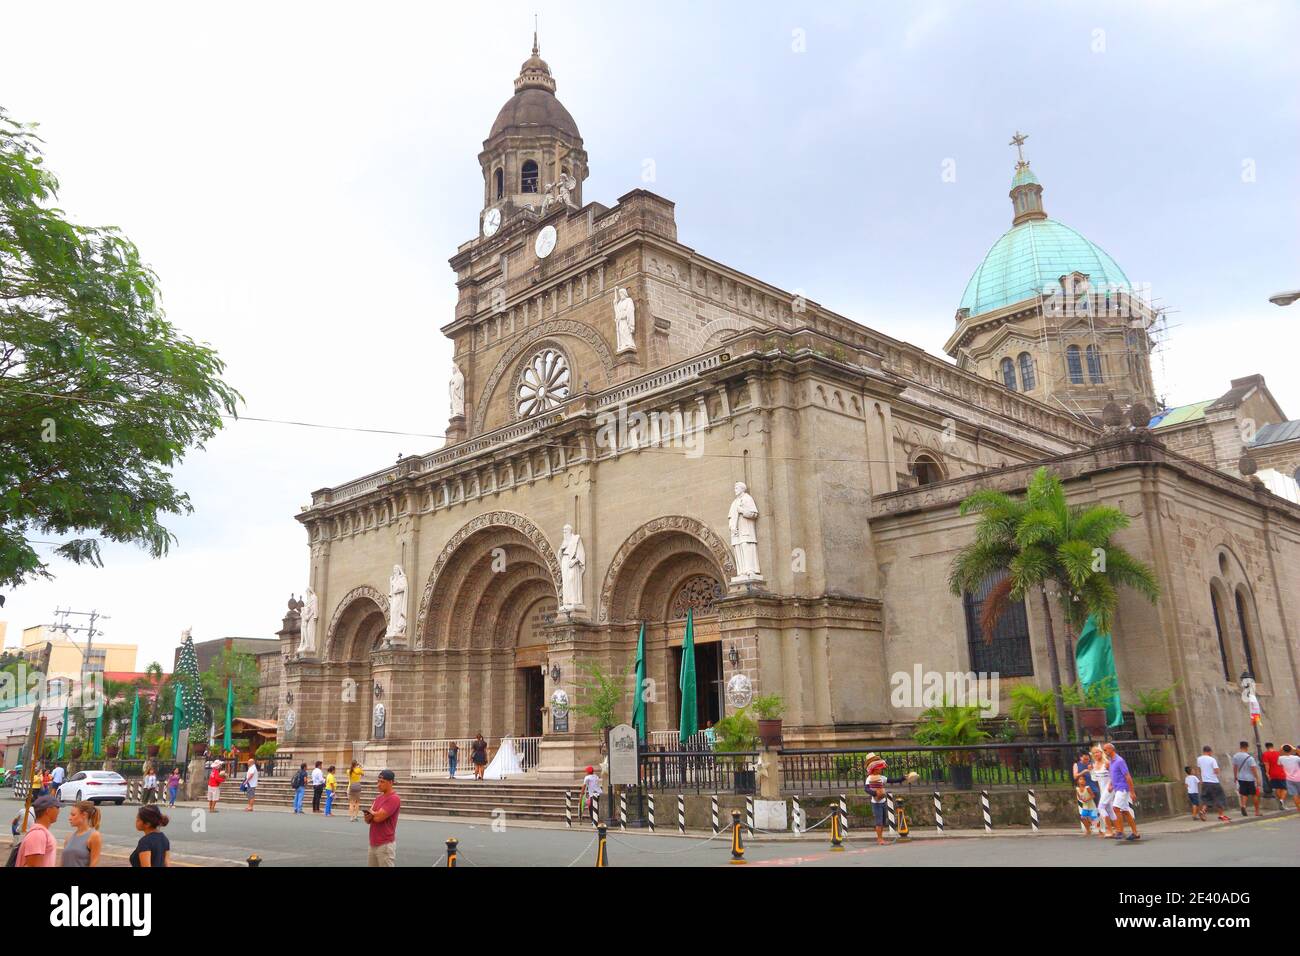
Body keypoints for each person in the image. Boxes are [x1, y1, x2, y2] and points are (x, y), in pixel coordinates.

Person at [863, 755, 920, 846]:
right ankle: (879, 839)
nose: (881, 770)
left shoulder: (881, 777)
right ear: (875, 769)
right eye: (879, 768)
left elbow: (892, 780)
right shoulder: (869, 778)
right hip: (876, 803)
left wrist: (903, 777)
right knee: (879, 822)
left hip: (883, 801)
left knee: (883, 822)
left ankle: (881, 838)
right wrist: (875, 794)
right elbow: (866, 789)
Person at [1102, 741, 1139, 842]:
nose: (1104, 752)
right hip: (1117, 788)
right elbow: (1114, 776)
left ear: (1111, 749)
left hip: (1123, 788)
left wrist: (1132, 791)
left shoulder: (1119, 761)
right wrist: (1111, 785)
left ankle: (1120, 831)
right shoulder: (1111, 762)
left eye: (1105, 749)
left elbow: (1127, 776)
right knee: (1125, 811)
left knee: (1116, 808)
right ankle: (1135, 833)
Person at [362, 769, 400, 866]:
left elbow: (379, 818)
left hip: (385, 844)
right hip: (373, 842)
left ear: (391, 782)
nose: (378, 784)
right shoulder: (378, 798)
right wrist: (371, 815)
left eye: (382, 782)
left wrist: (372, 815)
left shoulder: (394, 798)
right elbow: (367, 820)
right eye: (378, 781)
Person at [16, 794, 59, 867]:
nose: (59, 811)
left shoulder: (40, 832)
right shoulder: (38, 834)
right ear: (48, 811)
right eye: (57, 807)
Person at [61, 801, 102, 867]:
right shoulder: (68, 837)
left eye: (73, 815)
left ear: (84, 815)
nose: (69, 818)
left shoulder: (94, 836)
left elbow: (94, 863)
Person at [1197, 745, 1231, 823]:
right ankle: (1221, 814)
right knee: (1220, 798)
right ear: (1209, 751)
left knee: (1206, 798)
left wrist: (1201, 779)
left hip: (1205, 782)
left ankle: (1203, 811)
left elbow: (1199, 770)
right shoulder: (1212, 759)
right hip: (1214, 782)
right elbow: (1217, 770)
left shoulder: (1199, 759)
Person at [1088, 746, 1115, 837]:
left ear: (1101, 752)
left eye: (1097, 752)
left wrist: (1111, 784)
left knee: (1101, 807)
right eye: (1094, 753)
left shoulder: (1107, 763)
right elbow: (1094, 779)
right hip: (1102, 789)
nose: (1096, 754)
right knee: (1109, 809)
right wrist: (1091, 771)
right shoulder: (1094, 765)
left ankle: (1109, 829)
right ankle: (1119, 829)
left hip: (1109, 788)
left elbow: (1113, 775)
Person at [1231, 741, 1261, 817]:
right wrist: (1257, 778)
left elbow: (1235, 767)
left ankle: (1243, 806)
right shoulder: (1250, 757)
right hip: (1250, 778)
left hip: (1241, 778)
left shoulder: (1235, 756)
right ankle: (1257, 811)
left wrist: (1235, 776)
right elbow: (1253, 768)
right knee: (1254, 794)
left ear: (1240, 746)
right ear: (1247, 747)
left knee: (1244, 794)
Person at [1261, 742, 1287, 808]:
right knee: (1284, 788)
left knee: (1277, 788)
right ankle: (1282, 800)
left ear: (1266, 747)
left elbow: (1267, 764)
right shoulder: (1278, 753)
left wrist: (1267, 773)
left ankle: (1281, 802)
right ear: (1272, 746)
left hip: (1272, 773)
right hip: (1281, 772)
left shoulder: (1265, 754)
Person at [1277, 744, 1300, 812]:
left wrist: (1282, 750)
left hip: (1289, 779)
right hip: (1299, 778)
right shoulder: (1296, 758)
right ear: (1291, 750)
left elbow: (1279, 762)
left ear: (1283, 750)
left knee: (1295, 795)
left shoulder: (1281, 758)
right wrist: (1295, 749)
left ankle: (1299, 809)